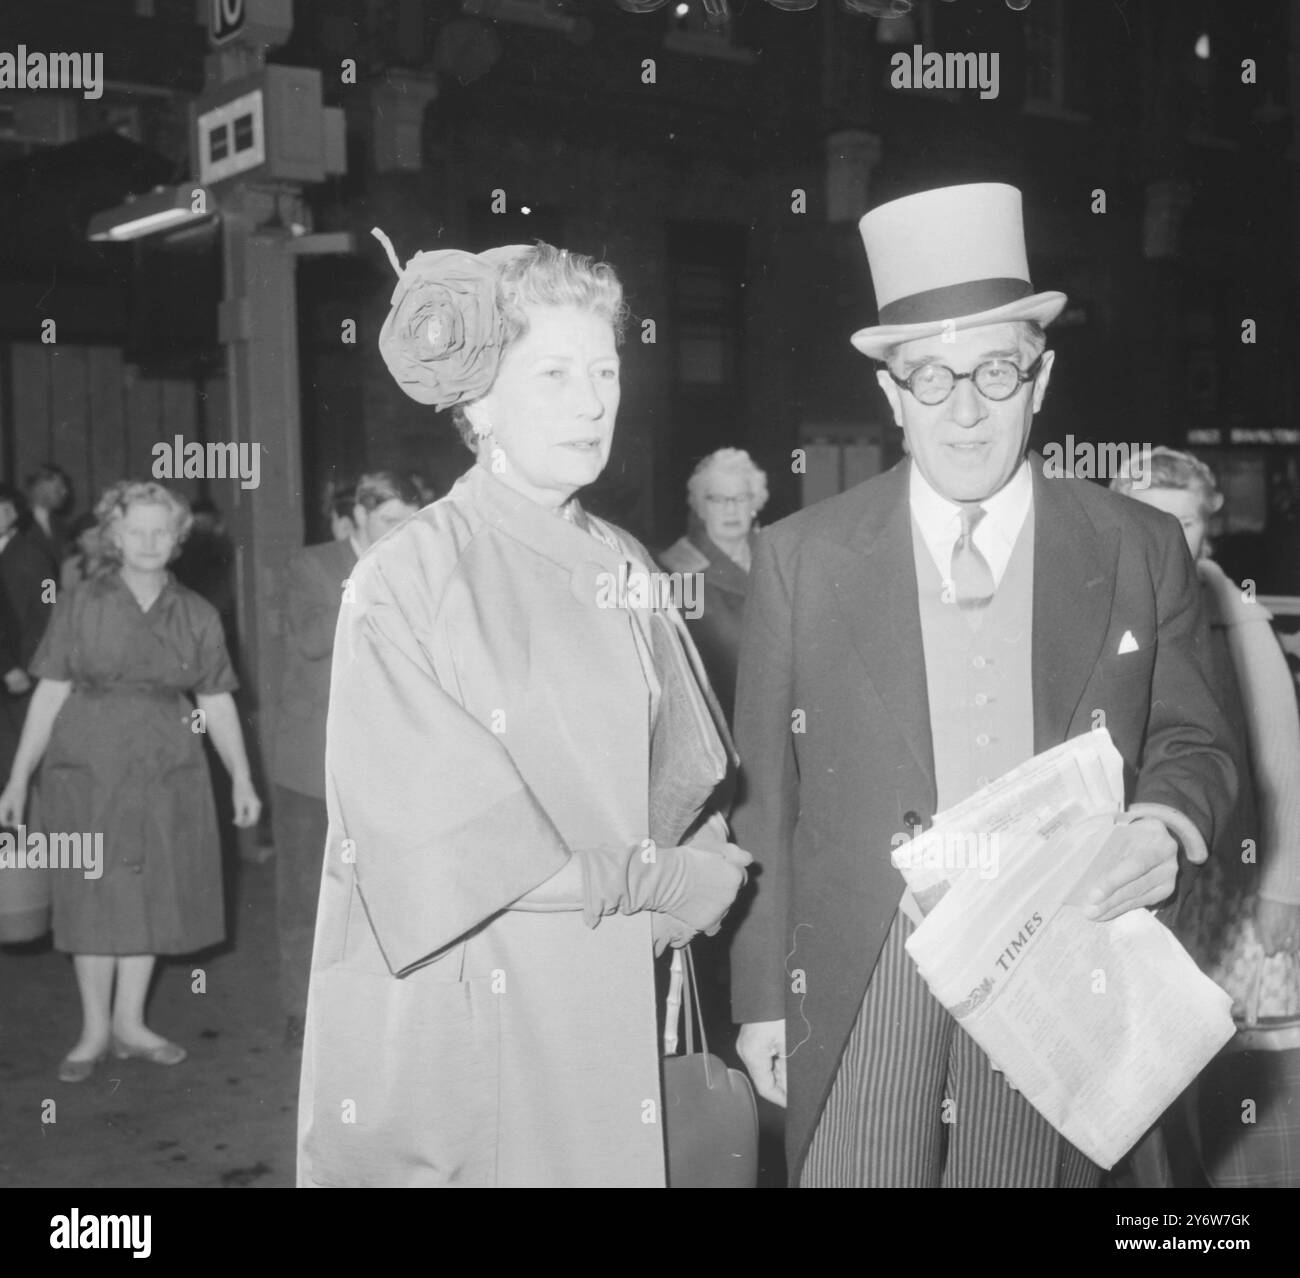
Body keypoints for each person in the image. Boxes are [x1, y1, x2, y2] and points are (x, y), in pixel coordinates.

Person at [729, 183, 1238, 1188]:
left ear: (1039, 379)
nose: (964, 412)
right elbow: (764, 801)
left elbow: (1199, 744)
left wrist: (1162, 825)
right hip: (862, 968)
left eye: (995, 371)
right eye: (931, 378)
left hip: (1049, 961)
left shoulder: (1135, 548)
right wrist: (758, 997)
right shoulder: (800, 557)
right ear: (889, 395)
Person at [297, 237, 749, 1187]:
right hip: (479, 997)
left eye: (606, 370)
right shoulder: (405, 580)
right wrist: (660, 881)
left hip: (608, 985)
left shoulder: (627, 559)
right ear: (478, 402)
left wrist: (704, 849)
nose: (593, 401)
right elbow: (444, 855)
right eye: (554, 373)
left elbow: (677, 764)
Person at [0, 481, 262, 1082]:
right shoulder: (82, 602)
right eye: (135, 530)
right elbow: (50, 691)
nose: (148, 542)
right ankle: (93, 1029)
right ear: (114, 537)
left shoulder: (197, 613)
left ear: (178, 539)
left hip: (168, 768)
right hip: (84, 771)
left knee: (150, 892)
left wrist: (243, 779)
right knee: (92, 895)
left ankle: (130, 1022)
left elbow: (217, 701)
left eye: (160, 530)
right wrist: (17, 778)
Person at [1113, 448, 1300, 1186]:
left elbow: (1282, 764)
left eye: (1183, 521)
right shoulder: (1115, 602)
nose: (1168, 536)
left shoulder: (1232, 613)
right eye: (1151, 518)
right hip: (1146, 882)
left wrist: (1282, 885)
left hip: (1227, 882)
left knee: (1231, 1078)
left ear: (1207, 527)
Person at [269, 471, 421, 1048]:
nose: (400, 533)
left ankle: (372, 1004)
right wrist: (369, 580)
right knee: (305, 891)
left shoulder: (416, 568)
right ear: (357, 514)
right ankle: (300, 1008)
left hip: (387, 759)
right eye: (388, 521)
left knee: (381, 887)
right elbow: (310, 639)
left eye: (410, 521)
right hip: (312, 760)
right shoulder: (312, 565)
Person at [659, 448, 768, 724]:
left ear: (755, 503)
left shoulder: (778, 556)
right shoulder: (679, 570)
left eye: (741, 498)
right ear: (700, 507)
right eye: (717, 499)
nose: (731, 509)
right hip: (720, 719)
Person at [0, 482, 55, 942]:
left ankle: (23, 896)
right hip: (11, 681)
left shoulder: (26, 556)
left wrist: (23, 670)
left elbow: (40, 620)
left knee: (18, 774)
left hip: (21, 685)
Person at [23, 464, 71, 576]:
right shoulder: (19, 524)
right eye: (58, 487)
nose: (65, 492)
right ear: (39, 488)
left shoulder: (62, 526)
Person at [59, 512, 100, 594]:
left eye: (99, 535)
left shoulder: (110, 562)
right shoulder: (69, 567)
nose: (97, 541)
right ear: (79, 541)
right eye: (91, 537)